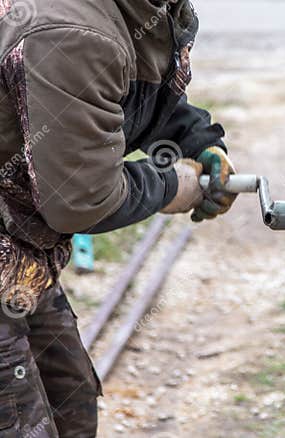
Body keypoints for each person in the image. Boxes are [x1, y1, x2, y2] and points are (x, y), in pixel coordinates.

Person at [0, 0, 237, 435]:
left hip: (19, 257)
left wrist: (193, 137)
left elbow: (121, 90)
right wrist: (171, 185)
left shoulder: (142, 10)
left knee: (70, 403)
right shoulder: (68, 32)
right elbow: (80, 197)